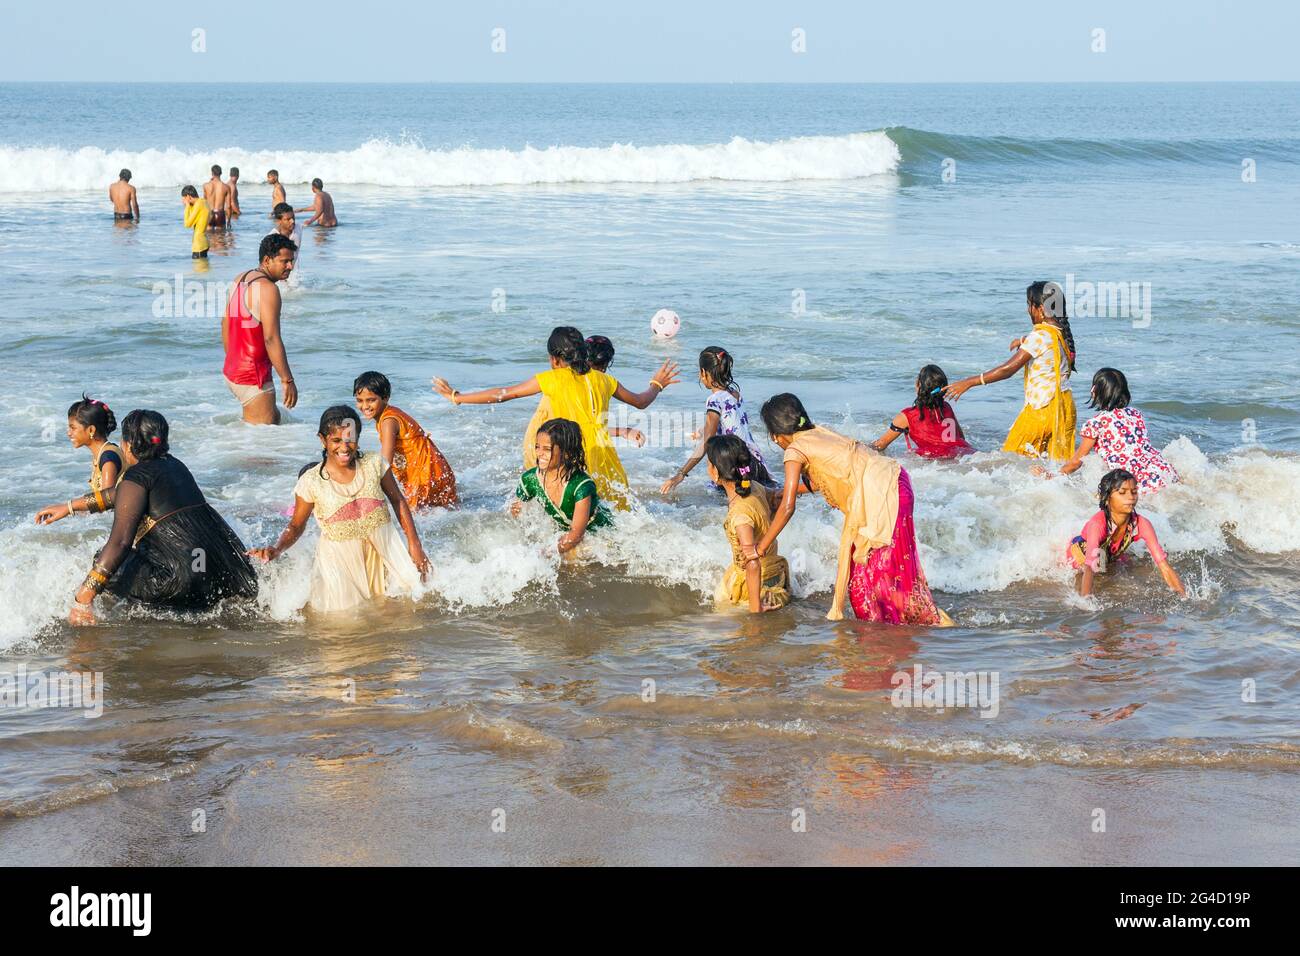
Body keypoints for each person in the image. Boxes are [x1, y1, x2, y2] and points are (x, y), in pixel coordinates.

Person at [755, 393, 951, 625]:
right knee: (882, 577)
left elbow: (788, 508)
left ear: (775, 435)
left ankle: (929, 628)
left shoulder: (794, 450)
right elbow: (829, 477)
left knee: (866, 586)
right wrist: (790, 491)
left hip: (882, 497)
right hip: (897, 482)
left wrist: (759, 549)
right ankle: (909, 633)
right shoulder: (820, 432)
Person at [431, 326, 679, 509]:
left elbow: (503, 394)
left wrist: (457, 396)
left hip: (567, 451)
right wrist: (657, 383)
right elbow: (641, 401)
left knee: (558, 505)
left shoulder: (550, 378)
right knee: (605, 507)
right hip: (601, 453)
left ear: (554, 359)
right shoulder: (605, 380)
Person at [64, 410, 259, 625]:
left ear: (129, 444)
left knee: (103, 559)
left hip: (181, 583)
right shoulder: (175, 466)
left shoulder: (136, 476)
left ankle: (128, 619)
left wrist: (83, 598)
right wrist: (69, 507)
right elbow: (119, 494)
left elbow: (120, 542)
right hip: (220, 575)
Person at [248, 406, 430, 614]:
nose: (344, 447)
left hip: (384, 549)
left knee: (401, 615)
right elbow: (296, 525)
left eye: (350, 440)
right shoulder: (311, 481)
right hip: (340, 562)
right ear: (322, 440)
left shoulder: (373, 464)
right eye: (336, 441)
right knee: (345, 626)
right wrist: (277, 549)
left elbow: (398, 501)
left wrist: (415, 545)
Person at [944, 281, 1079, 460]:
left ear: (1040, 309)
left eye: (1029, 305)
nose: (1027, 310)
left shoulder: (1038, 337)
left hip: (1043, 409)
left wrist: (969, 382)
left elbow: (1008, 370)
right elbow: (1047, 346)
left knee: (1011, 459)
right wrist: (1023, 340)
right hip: (1065, 407)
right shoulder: (1061, 333)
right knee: (1055, 466)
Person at [661, 346, 773, 494]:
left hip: (733, 465)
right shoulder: (734, 393)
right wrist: (702, 430)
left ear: (703, 373)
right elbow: (731, 421)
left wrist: (680, 475)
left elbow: (708, 442)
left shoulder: (714, 400)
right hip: (754, 462)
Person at [522, 335, 644, 468]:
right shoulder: (595, 383)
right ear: (604, 366)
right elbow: (583, 428)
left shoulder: (566, 379)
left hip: (540, 442)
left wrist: (622, 432)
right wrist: (657, 385)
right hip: (552, 444)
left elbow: (586, 426)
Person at [1051, 367, 1179, 492]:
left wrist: (1053, 476)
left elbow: (1076, 462)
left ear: (1094, 390)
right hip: (1163, 470)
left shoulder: (1095, 424)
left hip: (1135, 480)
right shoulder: (1135, 413)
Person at [1068, 468, 1185, 598]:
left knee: (1128, 572)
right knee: (1099, 576)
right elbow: (1089, 567)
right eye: (1122, 492)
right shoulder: (1098, 524)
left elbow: (1163, 565)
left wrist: (1183, 596)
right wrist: (1086, 603)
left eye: (1134, 492)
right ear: (1107, 498)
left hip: (1109, 554)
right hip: (1081, 556)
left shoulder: (1142, 524)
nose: (1130, 497)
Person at [705, 435, 789, 613]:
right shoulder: (754, 487)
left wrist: (755, 608)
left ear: (716, 473)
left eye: (709, 463)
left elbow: (752, 562)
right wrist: (811, 486)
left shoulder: (740, 514)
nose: (708, 468)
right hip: (775, 576)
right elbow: (777, 498)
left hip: (754, 588)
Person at [221, 233, 299, 424]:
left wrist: (233, 360)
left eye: (292, 261)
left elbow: (225, 323)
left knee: (275, 425)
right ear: (267, 260)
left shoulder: (240, 279)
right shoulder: (268, 289)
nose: (290, 266)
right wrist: (287, 380)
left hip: (233, 371)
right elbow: (271, 338)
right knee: (262, 448)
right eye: (285, 261)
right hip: (253, 377)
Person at [354, 371, 458, 509]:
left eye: (371, 400)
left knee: (416, 516)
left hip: (423, 477)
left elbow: (385, 461)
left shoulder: (388, 421)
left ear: (385, 398)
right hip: (436, 471)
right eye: (360, 400)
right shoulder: (390, 415)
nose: (365, 406)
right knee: (446, 510)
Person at [513, 417, 612, 554]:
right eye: (537, 446)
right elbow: (516, 513)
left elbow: (576, 535)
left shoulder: (581, 485)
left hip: (601, 536)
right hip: (570, 533)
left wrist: (545, 553)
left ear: (567, 453)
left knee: (576, 564)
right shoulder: (529, 479)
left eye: (547, 449)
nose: (539, 453)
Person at [33, 396, 122, 525]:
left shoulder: (108, 458)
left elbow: (106, 500)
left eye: (73, 428)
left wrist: (68, 507)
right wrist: (68, 513)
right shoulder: (104, 453)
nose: (69, 433)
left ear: (91, 430)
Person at [872, 365, 975, 459]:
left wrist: (861, 447)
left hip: (936, 458)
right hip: (965, 452)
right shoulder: (946, 407)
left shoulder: (906, 416)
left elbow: (880, 445)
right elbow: (961, 437)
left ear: (918, 385)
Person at [181, 185, 210, 258]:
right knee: (204, 268)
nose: (182, 201)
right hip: (204, 241)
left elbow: (187, 224)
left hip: (199, 245)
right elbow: (194, 221)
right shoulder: (203, 202)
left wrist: (187, 205)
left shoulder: (198, 204)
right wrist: (190, 205)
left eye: (183, 198)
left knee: (199, 268)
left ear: (188, 196)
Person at [204, 165, 229, 230]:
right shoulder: (226, 187)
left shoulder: (206, 186)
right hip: (220, 214)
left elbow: (204, 203)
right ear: (221, 173)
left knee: (209, 236)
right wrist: (228, 220)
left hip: (209, 213)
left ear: (212, 173)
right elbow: (228, 206)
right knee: (220, 236)